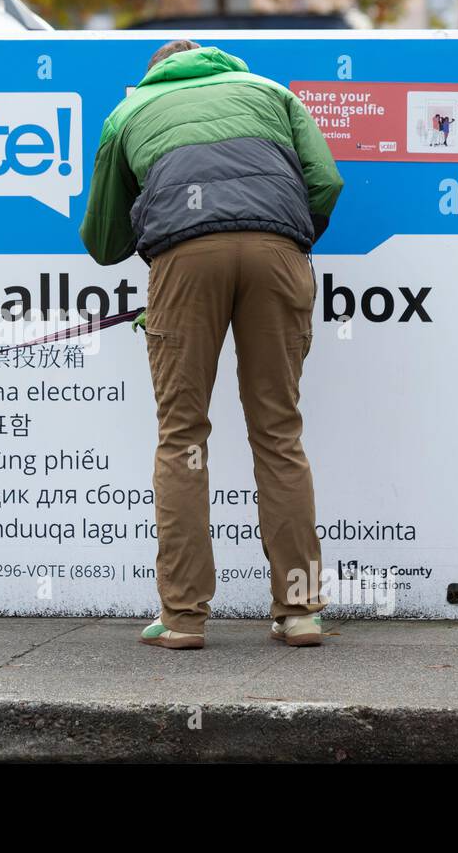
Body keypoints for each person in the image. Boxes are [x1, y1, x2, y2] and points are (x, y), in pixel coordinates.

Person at [80, 40, 343, 650]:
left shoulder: (131, 112)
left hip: (184, 264)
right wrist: (286, 235)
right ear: (221, 66)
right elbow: (326, 181)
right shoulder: (270, 92)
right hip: (277, 255)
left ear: (155, 75)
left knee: (182, 437)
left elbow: (102, 238)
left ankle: (183, 618)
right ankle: (300, 610)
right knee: (278, 431)